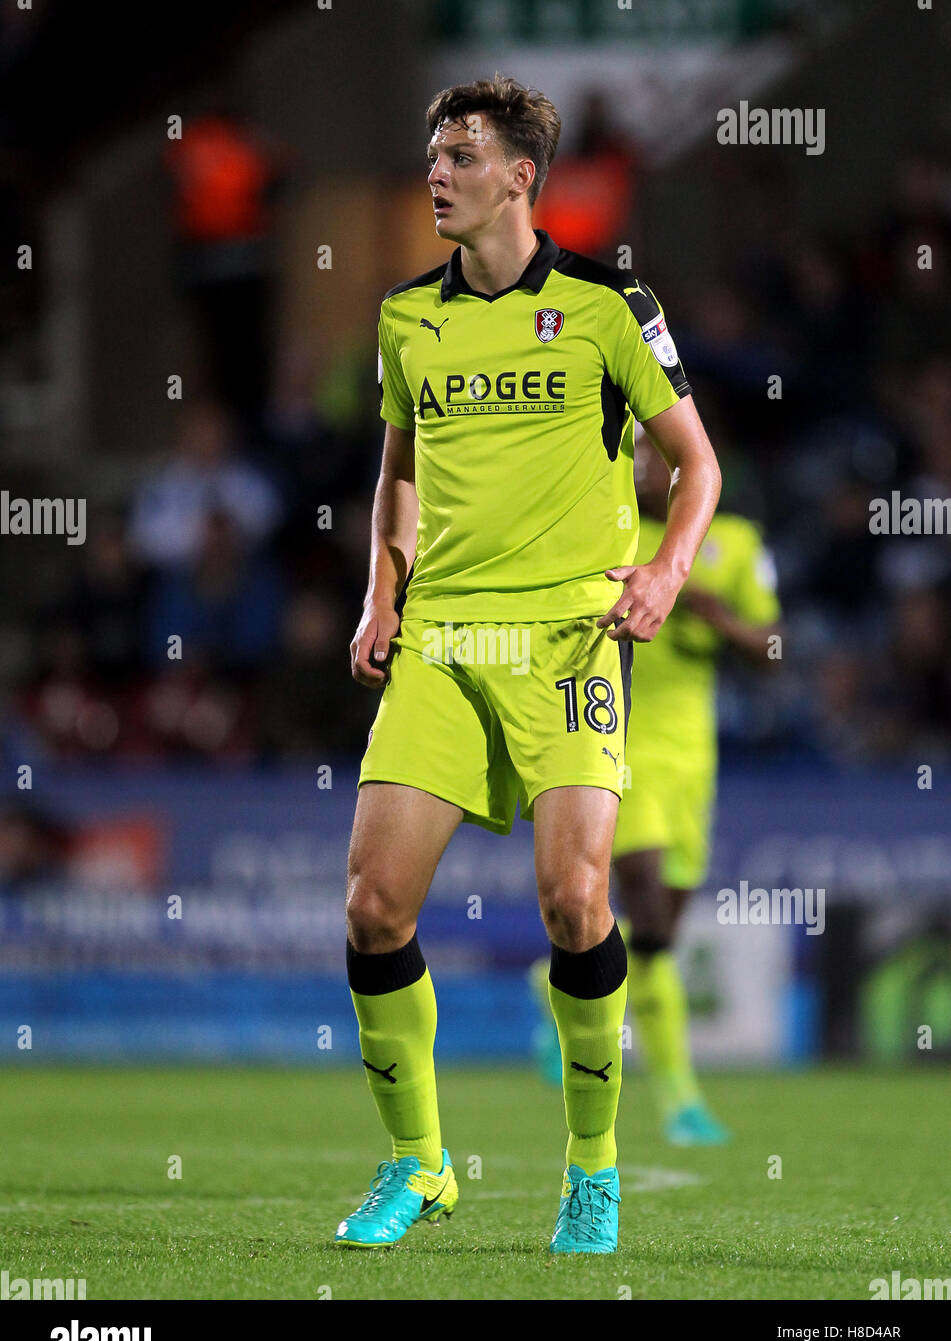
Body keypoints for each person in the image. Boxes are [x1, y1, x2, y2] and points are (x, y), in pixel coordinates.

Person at [339, 74, 721, 1254]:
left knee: (576, 902)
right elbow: (398, 468)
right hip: (445, 641)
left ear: (520, 175)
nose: (437, 172)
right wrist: (380, 592)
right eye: (431, 152)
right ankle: (419, 1164)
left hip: (567, 639)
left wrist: (663, 573)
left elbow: (698, 466)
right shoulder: (410, 316)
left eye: (459, 153)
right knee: (372, 906)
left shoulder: (612, 303)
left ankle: (592, 1170)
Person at [532, 427, 782, 1143]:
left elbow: (773, 648)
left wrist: (716, 615)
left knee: (661, 926)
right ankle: (680, 1099)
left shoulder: (729, 540)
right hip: (616, 733)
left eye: (655, 455)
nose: (642, 466)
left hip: (691, 755)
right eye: (633, 454)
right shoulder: (603, 529)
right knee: (642, 905)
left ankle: (546, 982)